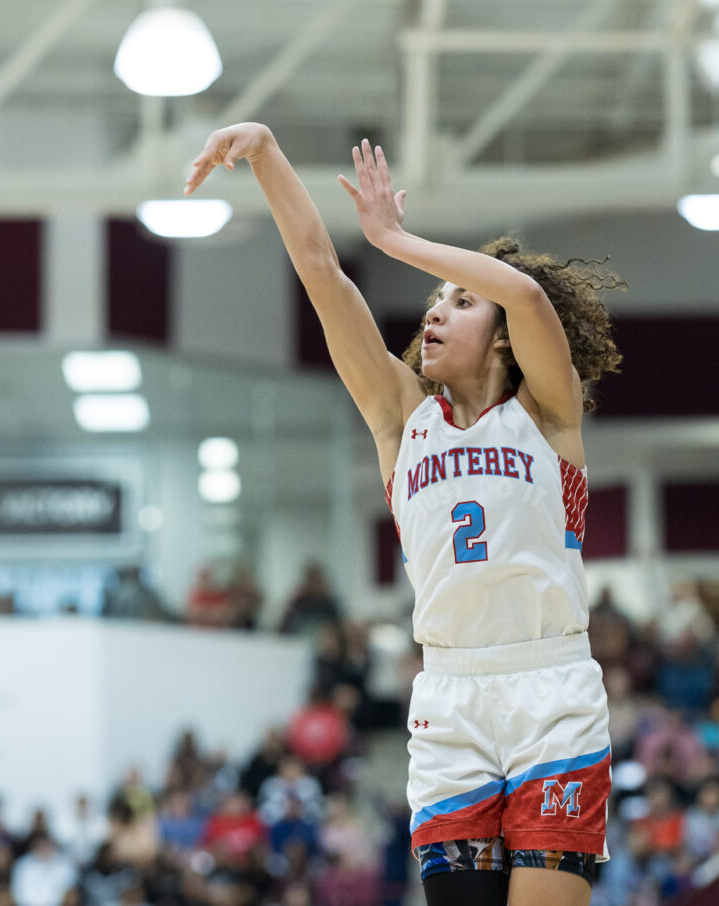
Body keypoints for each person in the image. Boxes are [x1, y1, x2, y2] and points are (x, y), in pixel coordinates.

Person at [187, 126, 622, 906]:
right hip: (450, 698)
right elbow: (322, 276)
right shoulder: (399, 416)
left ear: (503, 340)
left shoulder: (548, 414)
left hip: (549, 689)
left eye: (459, 302)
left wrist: (394, 237)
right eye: (431, 302)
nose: (435, 312)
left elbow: (524, 293)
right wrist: (266, 154)